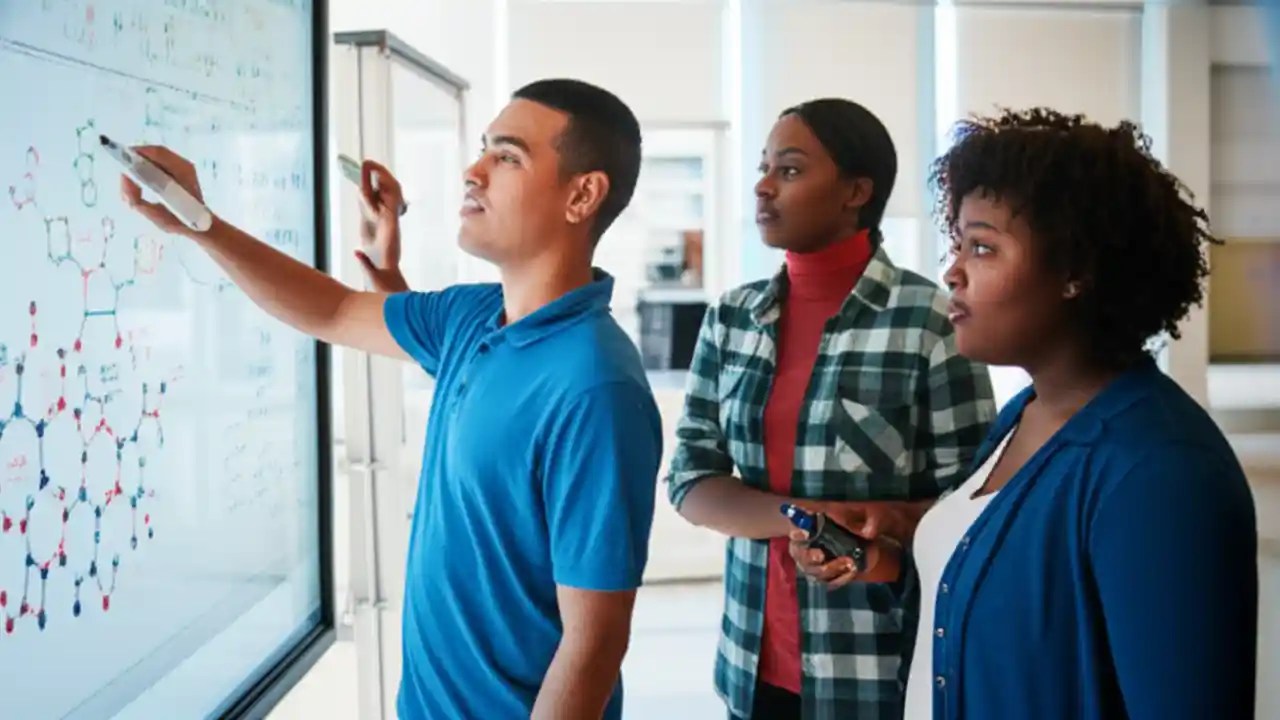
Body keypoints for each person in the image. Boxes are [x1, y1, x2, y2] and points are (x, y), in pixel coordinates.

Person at [119, 79, 664, 720]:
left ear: (582, 194)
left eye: (507, 157)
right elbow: (334, 308)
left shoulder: (597, 388)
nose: (474, 171)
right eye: (484, 149)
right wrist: (201, 225)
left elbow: (594, 641)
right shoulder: (475, 319)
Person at [860, 107, 1254, 719]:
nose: (953, 272)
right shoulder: (1026, 413)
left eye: (983, 247)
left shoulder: (1159, 473)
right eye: (958, 244)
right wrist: (892, 553)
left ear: (1075, 270)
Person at [664, 98, 997, 719]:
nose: (763, 186)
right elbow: (688, 476)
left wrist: (882, 532)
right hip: (751, 664)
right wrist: (803, 517)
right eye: (764, 168)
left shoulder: (931, 322)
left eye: (789, 171)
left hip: (876, 670)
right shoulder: (732, 319)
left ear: (856, 191)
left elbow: (976, 513)